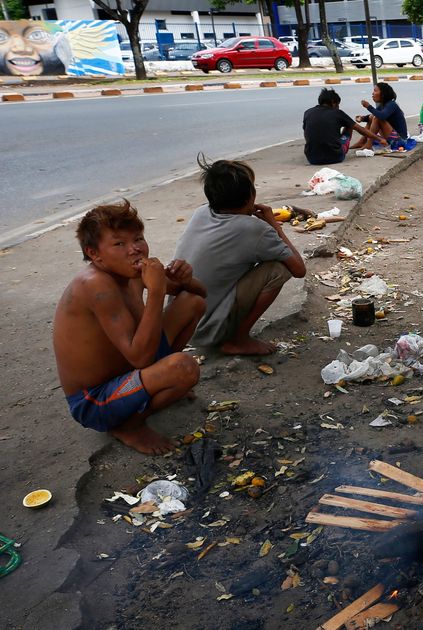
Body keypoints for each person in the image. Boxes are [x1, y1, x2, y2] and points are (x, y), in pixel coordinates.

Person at [53, 201, 206, 455]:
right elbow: (141, 356)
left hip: (129, 369)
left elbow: (200, 295)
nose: (135, 249)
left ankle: (158, 385)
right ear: (94, 254)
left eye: (138, 239)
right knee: (184, 367)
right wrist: (156, 291)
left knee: (192, 303)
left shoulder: (131, 273)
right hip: (95, 400)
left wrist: (187, 279)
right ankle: (128, 426)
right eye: (119, 244)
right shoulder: (97, 285)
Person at [174, 157, 306, 355]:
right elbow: (298, 269)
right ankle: (238, 339)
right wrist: (274, 225)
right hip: (208, 330)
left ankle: (233, 333)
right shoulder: (256, 229)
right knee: (279, 269)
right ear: (250, 196)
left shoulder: (201, 212)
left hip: (183, 325)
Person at [302, 88, 387, 165]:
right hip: (335, 157)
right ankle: (341, 147)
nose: (338, 107)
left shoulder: (308, 112)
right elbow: (360, 129)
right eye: (338, 105)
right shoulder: (337, 113)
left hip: (312, 159)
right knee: (349, 125)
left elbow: (306, 133)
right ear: (333, 102)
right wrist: (379, 139)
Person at [349, 82, 409, 152]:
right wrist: (362, 118)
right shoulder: (382, 105)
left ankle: (369, 144)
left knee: (377, 118)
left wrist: (368, 106)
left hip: (400, 140)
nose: (373, 93)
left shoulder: (392, 104)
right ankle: (362, 141)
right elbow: (373, 115)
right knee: (372, 117)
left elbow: (381, 116)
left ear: (383, 94)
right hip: (391, 137)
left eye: (375, 91)